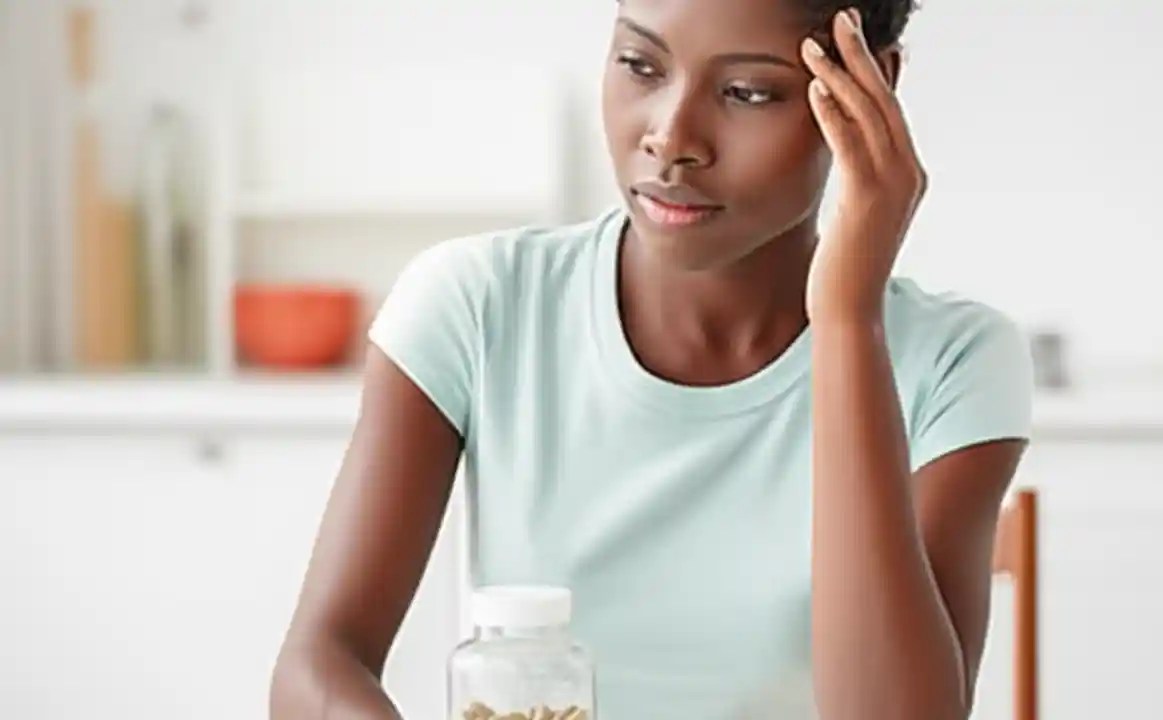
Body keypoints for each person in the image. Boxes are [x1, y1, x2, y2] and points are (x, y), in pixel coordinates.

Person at [269, 0, 1032, 718]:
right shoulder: (479, 304)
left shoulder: (955, 362)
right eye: (641, 65)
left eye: (746, 92)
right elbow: (318, 664)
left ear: (871, 86)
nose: (671, 138)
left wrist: (844, 320)